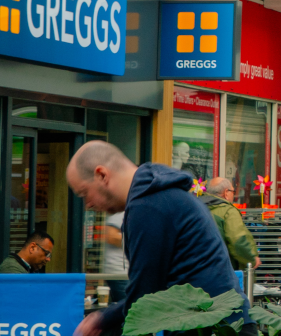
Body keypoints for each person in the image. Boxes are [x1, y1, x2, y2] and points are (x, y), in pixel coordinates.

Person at [65, 140, 244, 336]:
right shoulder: (159, 195)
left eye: (84, 193)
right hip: (221, 322)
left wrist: (102, 320)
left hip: (213, 327)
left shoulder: (148, 206)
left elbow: (143, 298)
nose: (87, 205)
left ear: (102, 175)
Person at [197, 176, 260, 268]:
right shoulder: (228, 212)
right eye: (233, 191)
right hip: (223, 272)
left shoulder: (196, 209)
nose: (233, 195)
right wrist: (252, 259)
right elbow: (238, 241)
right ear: (226, 193)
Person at [101, 211, 128, 304]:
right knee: (128, 307)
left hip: (126, 273)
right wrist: (136, 240)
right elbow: (111, 236)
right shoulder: (120, 213)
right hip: (119, 272)